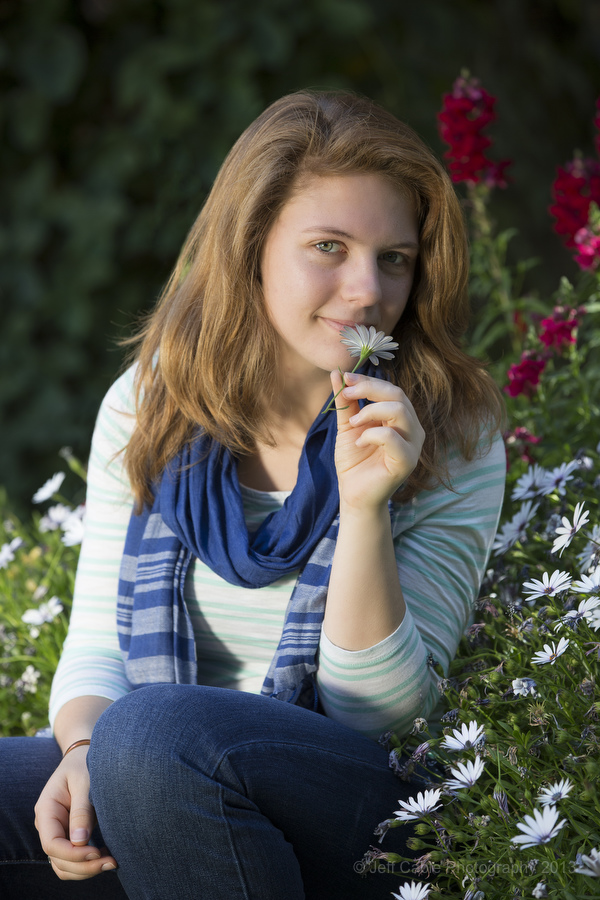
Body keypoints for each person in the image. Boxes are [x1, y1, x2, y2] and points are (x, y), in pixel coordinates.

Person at [0, 90, 506, 899]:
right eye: (329, 246)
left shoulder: (449, 428)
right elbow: (96, 645)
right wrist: (83, 754)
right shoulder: (151, 400)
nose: (367, 289)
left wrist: (368, 504)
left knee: (155, 733)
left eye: (395, 259)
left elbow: (381, 719)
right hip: (161, 774)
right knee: (106, 751)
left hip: (364, 808)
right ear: (251, 247)